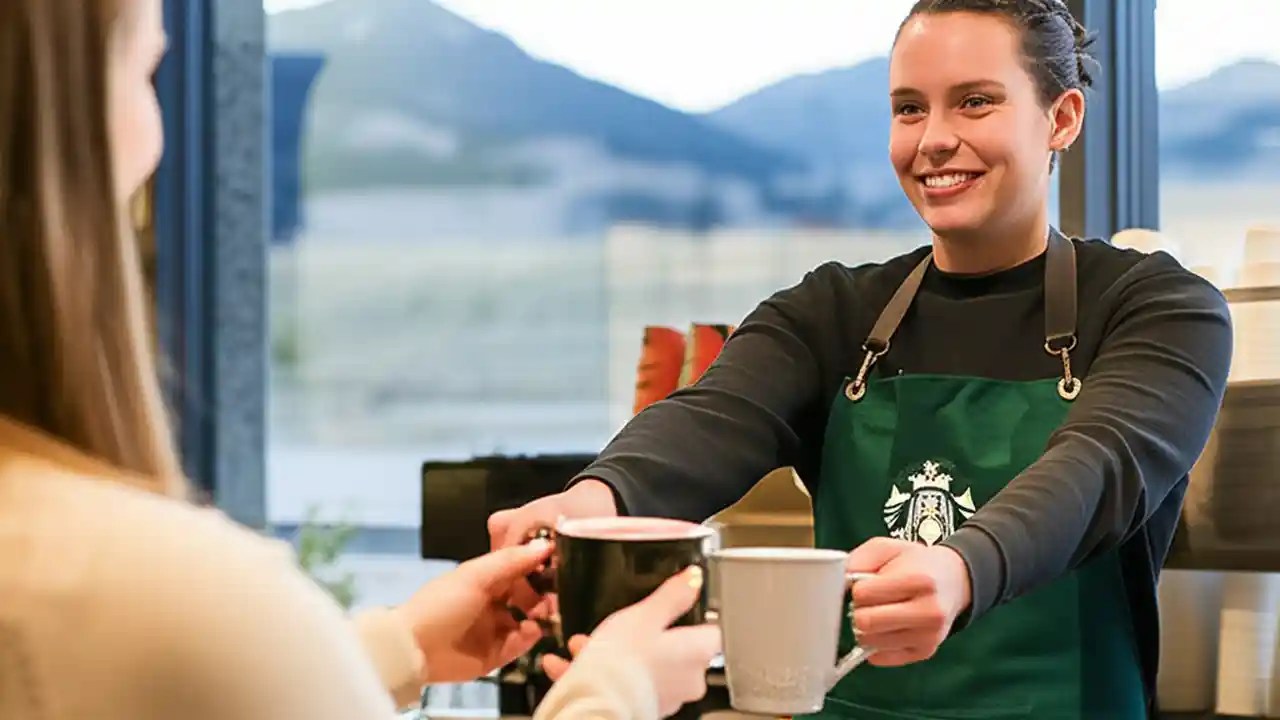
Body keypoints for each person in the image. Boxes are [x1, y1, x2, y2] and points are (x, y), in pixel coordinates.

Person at [490, 1, 1234, 718]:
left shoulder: (1160, 309)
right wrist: (588, 508)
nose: (933, 139)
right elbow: (712, 419)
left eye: (974, 102)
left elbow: (1098, 466)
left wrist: (962, 568)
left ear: (1061, 119)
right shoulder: (832, 314)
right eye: (910, 108)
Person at [0, 1, 719, 719]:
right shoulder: (164, 592)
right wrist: (618, 690)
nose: (159, 133)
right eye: (146, 72)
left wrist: (387, 650)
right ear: (62, 124)